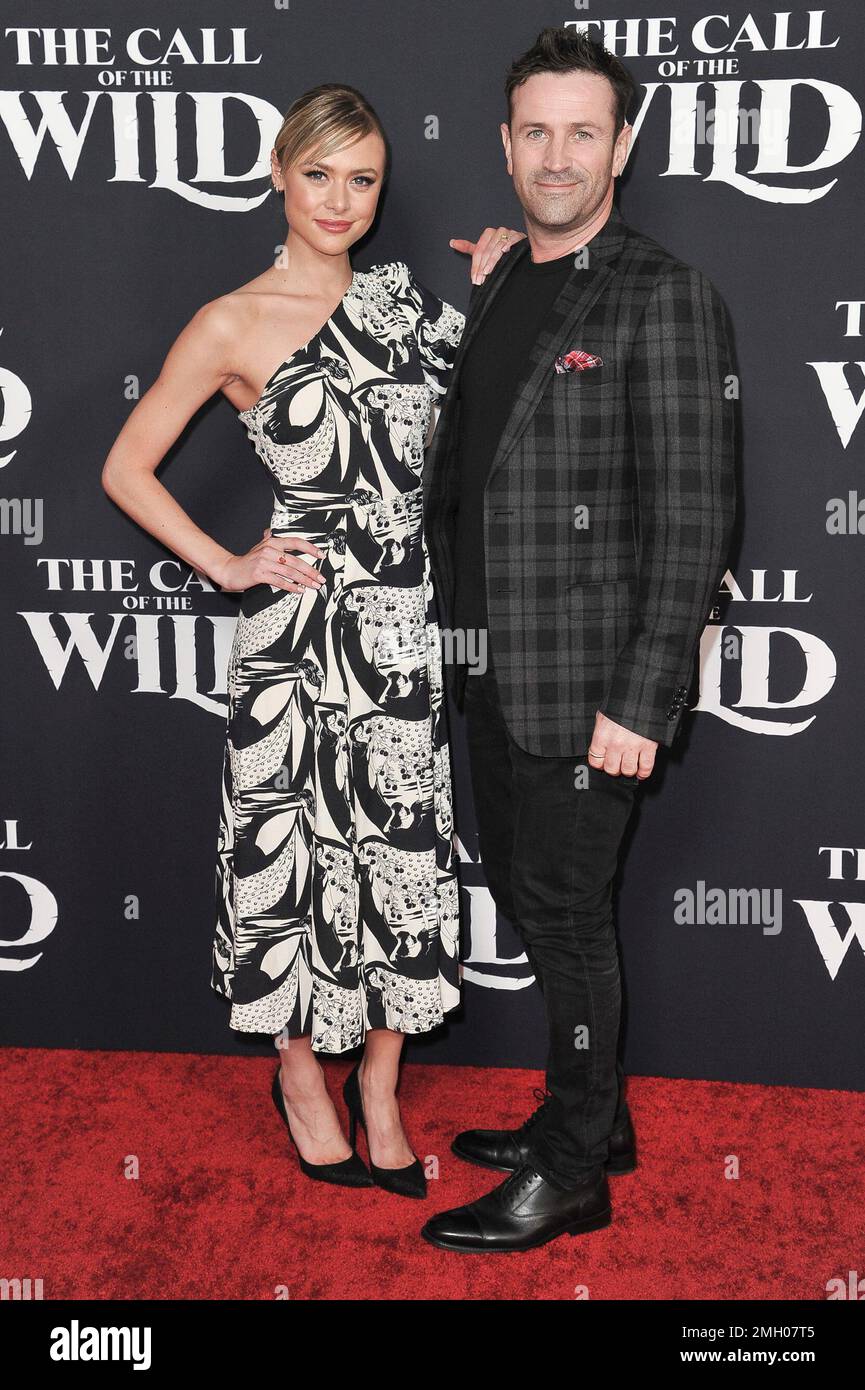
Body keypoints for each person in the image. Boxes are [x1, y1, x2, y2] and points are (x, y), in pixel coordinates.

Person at [100, 83, 522, 1200]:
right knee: (290, 855)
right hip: (297, 639)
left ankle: (380, 1084)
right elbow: (124, 468)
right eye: (320, 173)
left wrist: (489, 293)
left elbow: (468, 410)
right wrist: (229, 561)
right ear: (279, 176)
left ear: (381, 192)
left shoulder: (401, 300)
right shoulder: (231, 319)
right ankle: (298, 1074)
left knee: (400, 857)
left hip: (402, 627)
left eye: (364, 178)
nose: (340, 199)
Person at [420, 27, 738, 1251]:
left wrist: (642, 699)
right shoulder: (506, 277)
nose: (557, 156)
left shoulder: (665, 295)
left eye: (583, 131)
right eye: (535, 132)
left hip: (591, 687)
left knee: (560, 911)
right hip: (491, 673)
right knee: (538, 896)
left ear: (624, 143)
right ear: (504, 148)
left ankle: (572, 1173)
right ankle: (589, 1116)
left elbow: (698, 517)